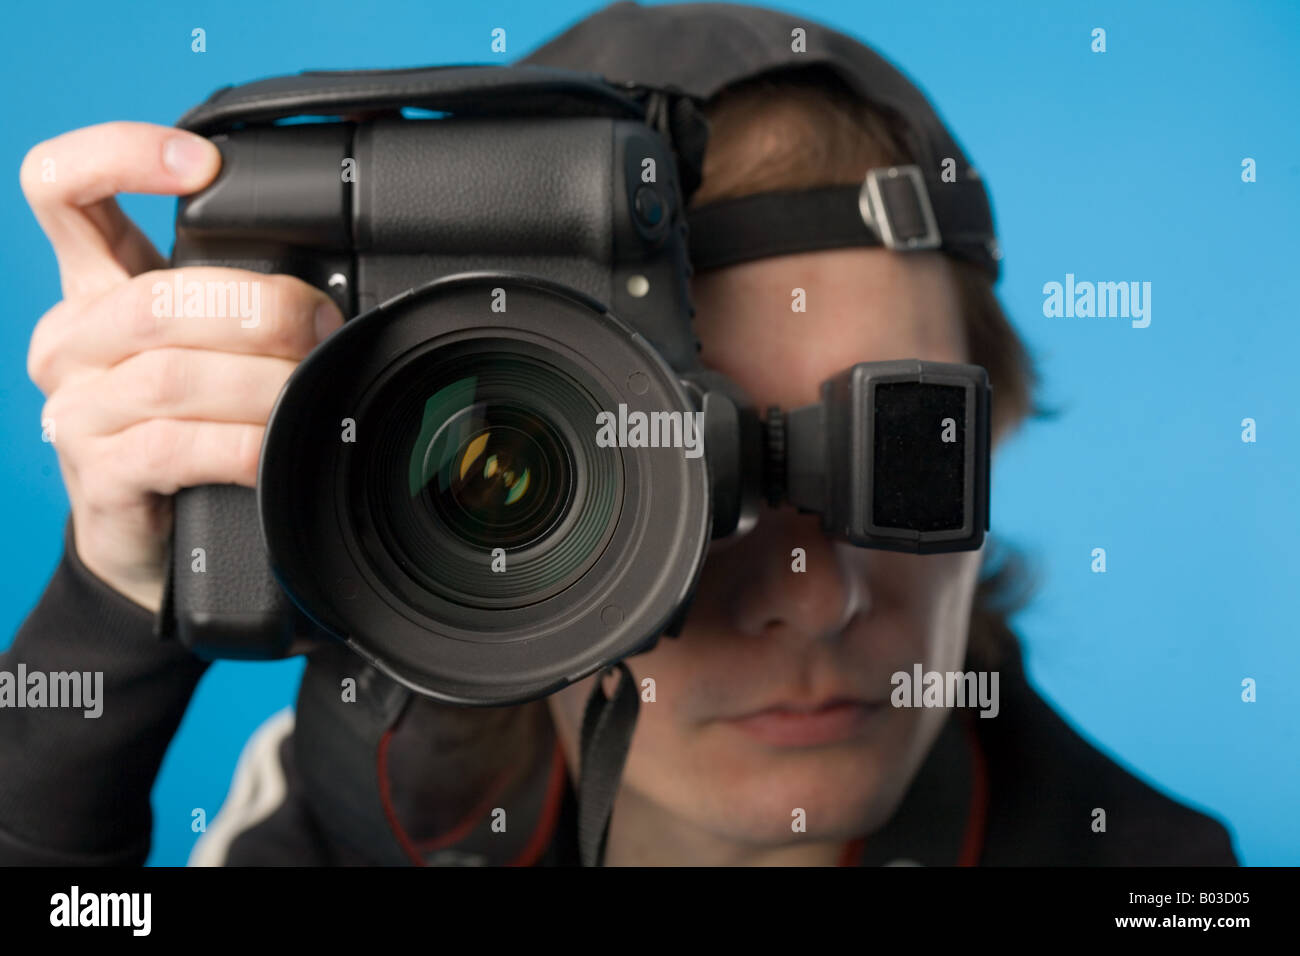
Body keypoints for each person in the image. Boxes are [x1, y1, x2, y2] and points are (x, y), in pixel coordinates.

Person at [1, 1, 1236, 866]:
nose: (814, 599)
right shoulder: (370, 797)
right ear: (436, 495)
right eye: (668, 474)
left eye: (903, 447)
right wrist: (112, 613)